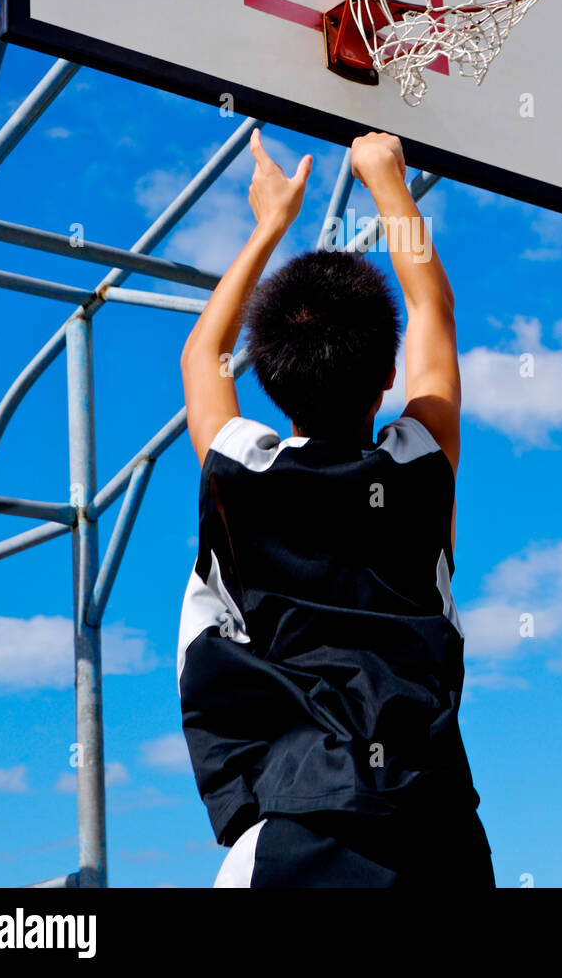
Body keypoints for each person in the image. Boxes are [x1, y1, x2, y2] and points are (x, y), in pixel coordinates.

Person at [177, 126, 494, 888]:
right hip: (438, 828)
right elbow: (433, 311)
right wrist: (386, 177)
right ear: (386, 376)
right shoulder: (421, 472)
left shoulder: (239, 475)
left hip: (294, 824)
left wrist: (268, 224)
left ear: (269, 379)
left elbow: (200, 354)